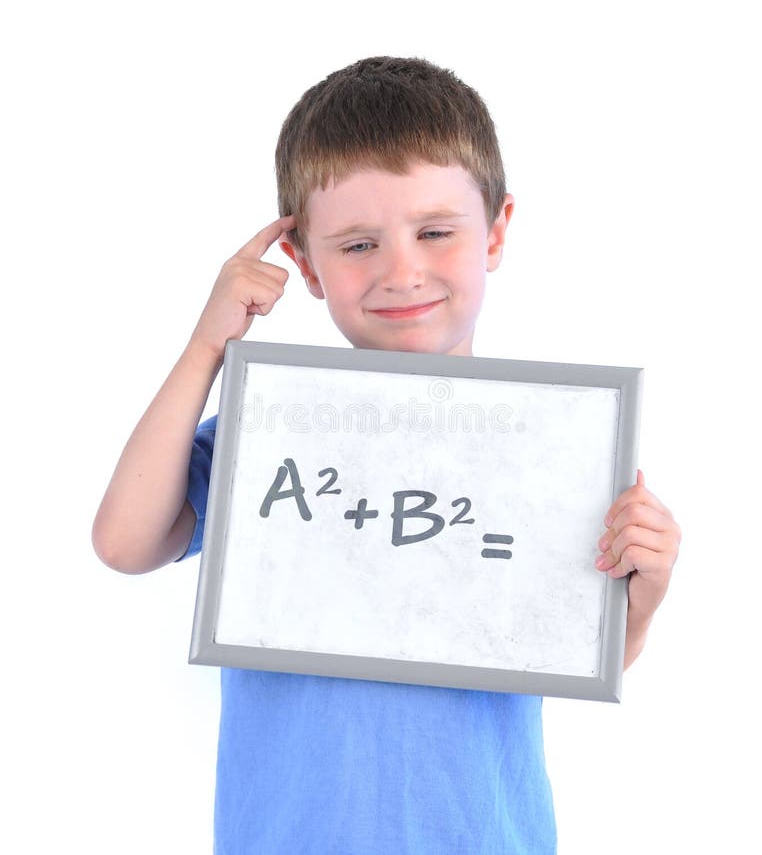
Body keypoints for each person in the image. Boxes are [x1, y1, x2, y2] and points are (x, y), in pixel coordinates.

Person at [92, 55, 681, 854]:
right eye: (358, 244)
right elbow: (126, 542)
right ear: (303, 263)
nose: (402, 271)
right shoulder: (272, 431)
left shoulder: (545, 452)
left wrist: (640, 600)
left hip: (481, 836)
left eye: (435, 232)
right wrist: (207, 348)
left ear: (497, 231)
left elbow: (575, 651)